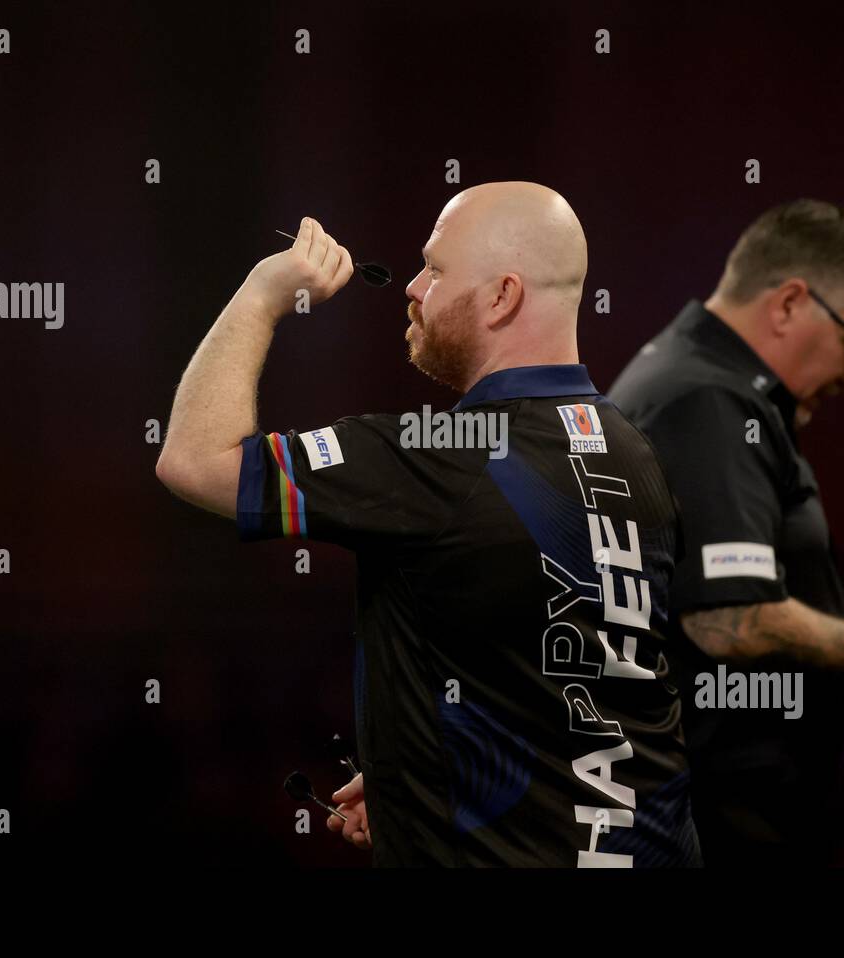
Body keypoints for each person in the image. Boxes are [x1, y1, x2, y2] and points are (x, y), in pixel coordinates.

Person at [155, 182, 701, 866]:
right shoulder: (635, 452)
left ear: (502, 296)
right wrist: (430, 788)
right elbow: (591, 686)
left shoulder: (440, 459)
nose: (412, 287)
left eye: (435, 269)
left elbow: (195, 459)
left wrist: (264, 294)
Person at [606, 198, 844, 866]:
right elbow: (727, 620)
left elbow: (714, 593)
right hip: (715, 821)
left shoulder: (692, 378)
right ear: (789, 303)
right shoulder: (707, 399)